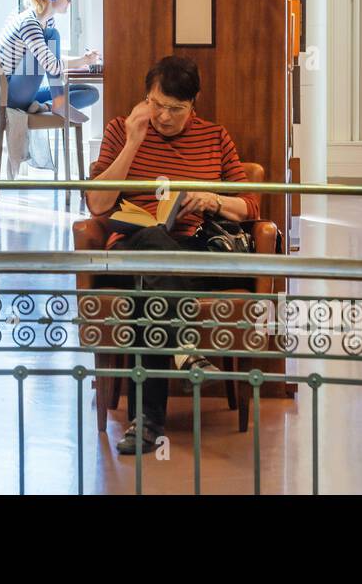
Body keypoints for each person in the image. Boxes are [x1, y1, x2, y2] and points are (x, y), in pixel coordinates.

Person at [86, 55, 261, 455]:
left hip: (194, 251)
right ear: (146, 97)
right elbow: (97, 204)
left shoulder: (214, 137)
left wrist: (214, 200)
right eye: (156, 104)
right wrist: (132, 141)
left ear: (193, 104)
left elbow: (251, 206)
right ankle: (182, 353)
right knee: (149, 245)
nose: (163, 117)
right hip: (133, 249)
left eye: (175, 109)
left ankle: (146, 423)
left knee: (153, 286)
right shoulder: (120, 129)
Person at [0, 0, 100, 122]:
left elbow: (50, 59)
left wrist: (85, 59)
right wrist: (84, 61)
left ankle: (47, 106)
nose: (70, 1)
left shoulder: (47, 21)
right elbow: (52, 66)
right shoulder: (30, 23)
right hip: (10, 96)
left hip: (26, 94)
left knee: (91, 92)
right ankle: (59, 103)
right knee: (52, 35)